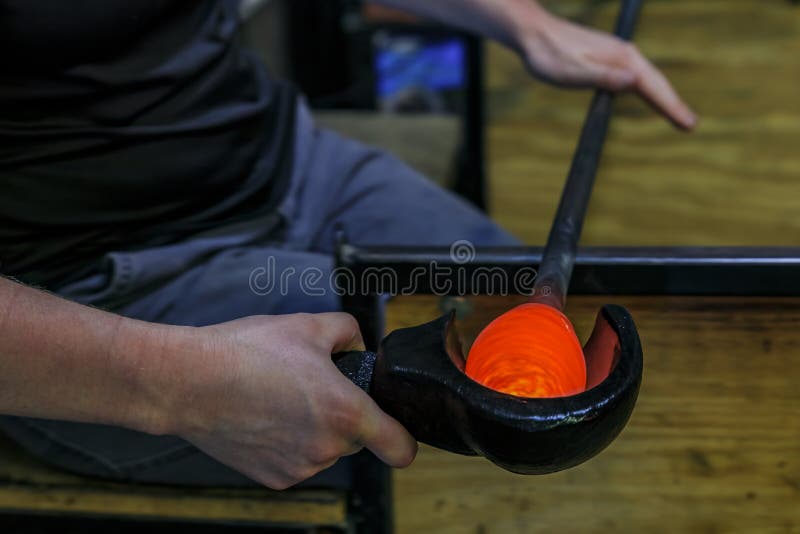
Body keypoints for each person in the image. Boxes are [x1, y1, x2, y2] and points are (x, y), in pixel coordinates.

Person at [0, 0, 695, 490]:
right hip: (86, 294)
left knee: (532, 390)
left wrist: (523, 21)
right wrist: (181, 388)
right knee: (471, 444)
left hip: (292, 166)